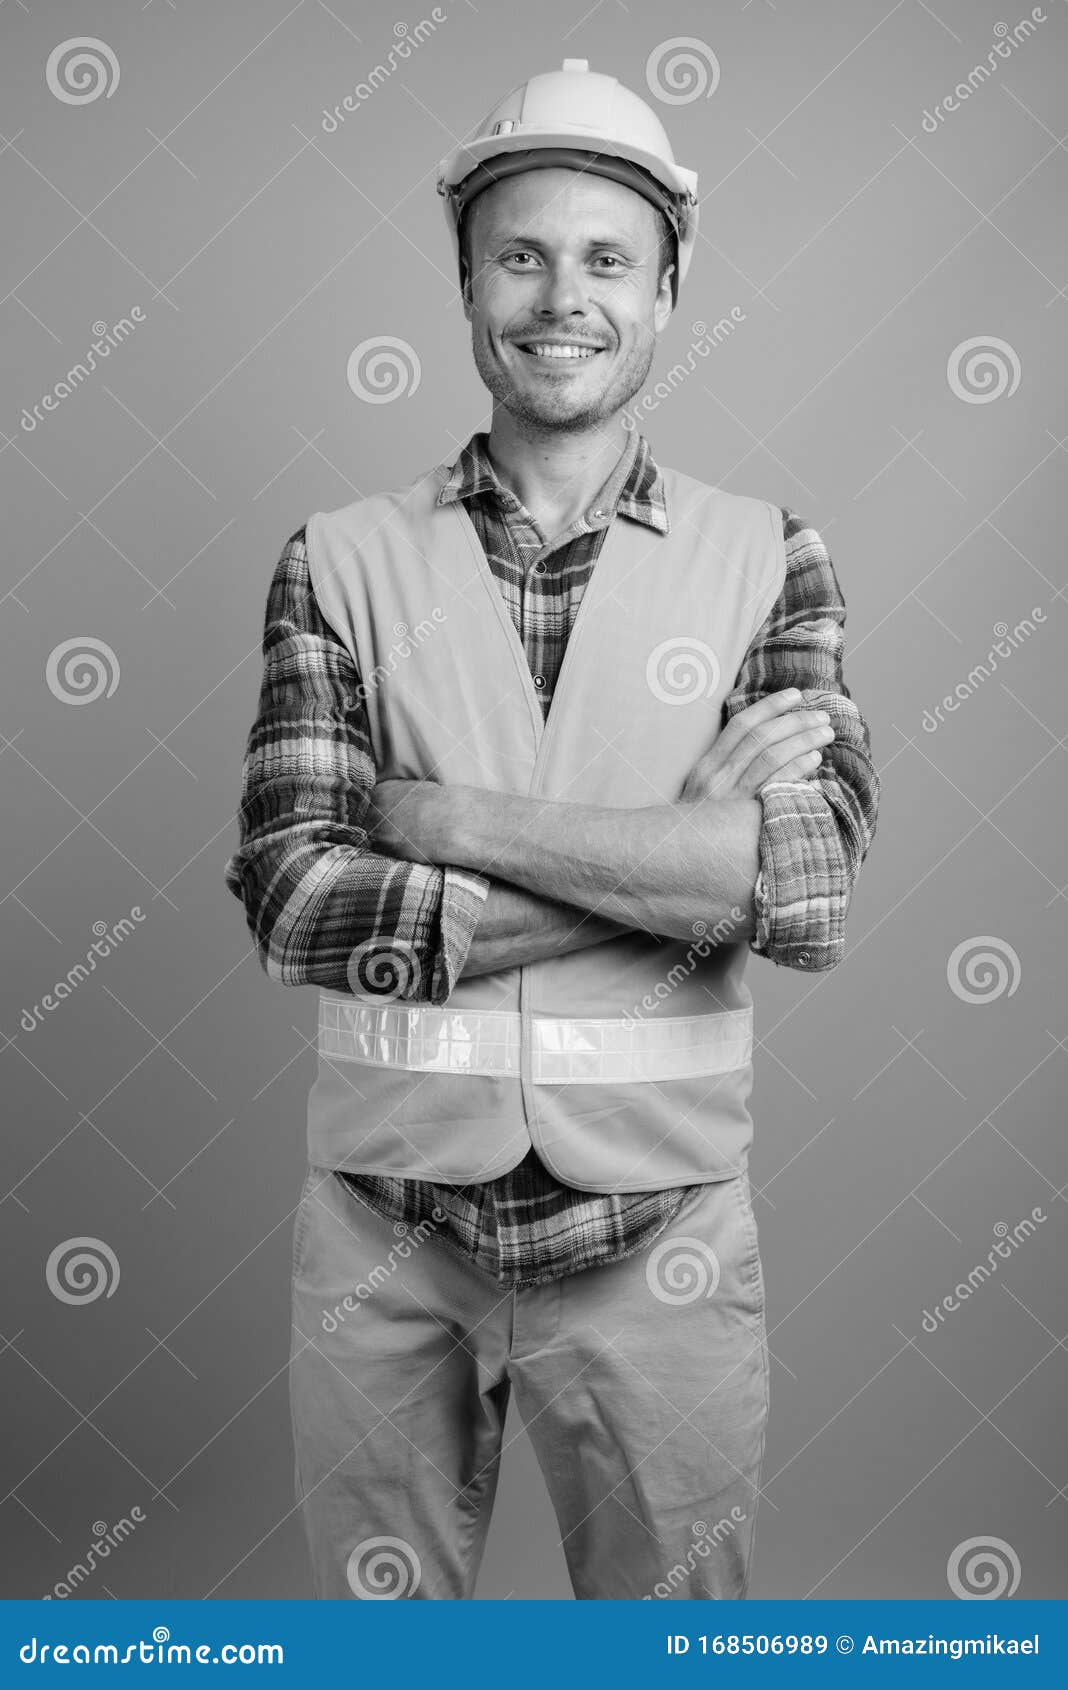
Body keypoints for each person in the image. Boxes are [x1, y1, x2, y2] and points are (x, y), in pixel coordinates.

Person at [224, 58, 881, 1601]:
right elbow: (294, 899)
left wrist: (447, 820)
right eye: (520, 254)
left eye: (606, 259)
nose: (560, 297)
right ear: (465, 280)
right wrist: (678, 858)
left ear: (667, 292)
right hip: (387, 1239)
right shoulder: (336, 561)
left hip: (662, 1246)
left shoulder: (769, 559)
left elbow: (810, 892)